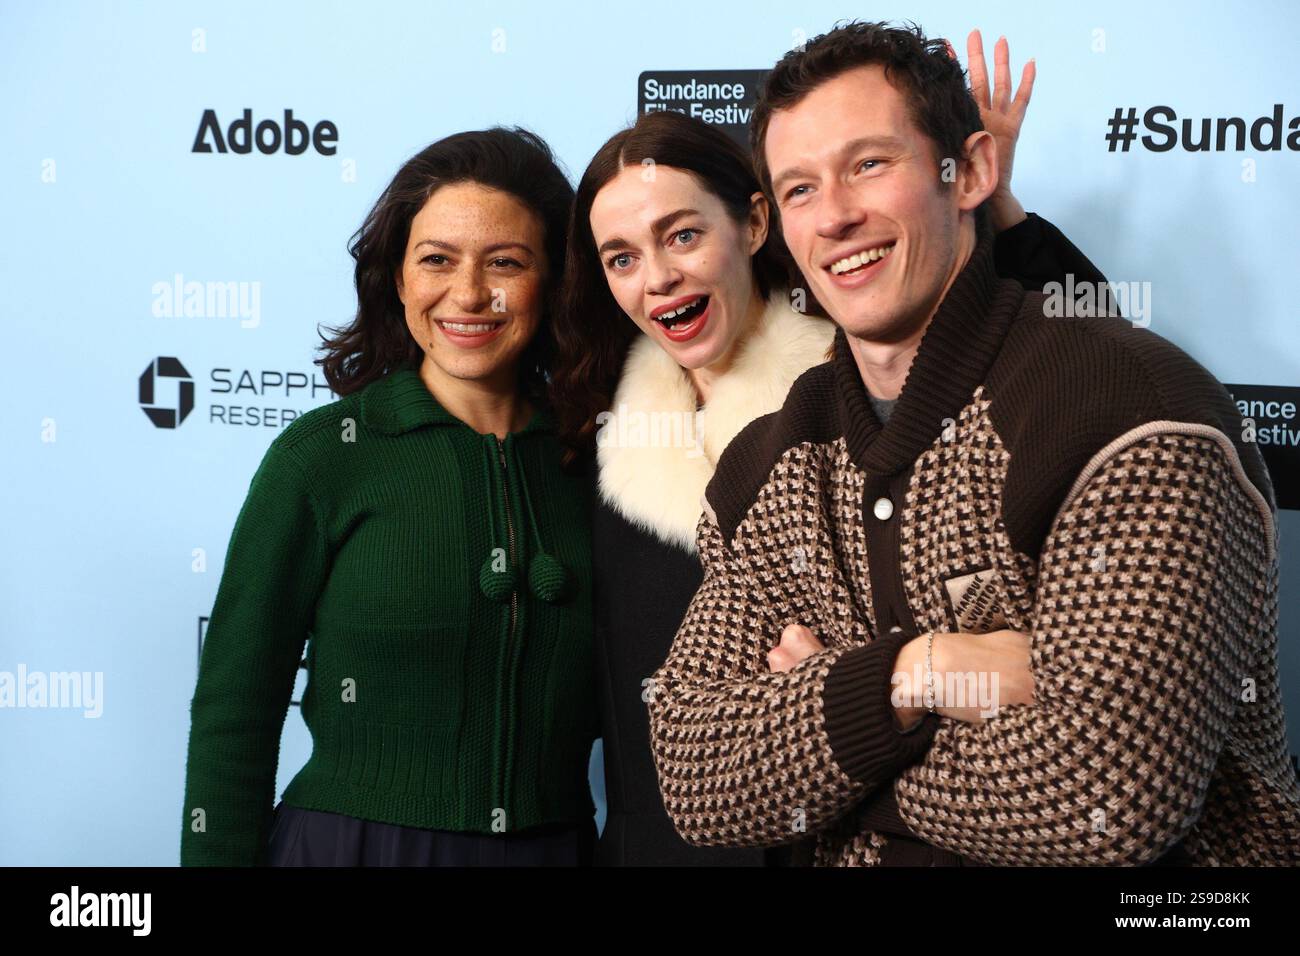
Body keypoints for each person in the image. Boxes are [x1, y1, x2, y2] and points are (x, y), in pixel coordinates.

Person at [645, 19, 1300, 866]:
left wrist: (822, 742)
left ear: (974, 173)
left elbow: (1109, 797)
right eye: (801, 188)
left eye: (869, 165)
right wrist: (914, 674)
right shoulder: (772, 460)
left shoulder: (1133, 413)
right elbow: (696, 777)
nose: (836, 215)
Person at [550, 31, 1110, 865]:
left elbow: (1083, 363)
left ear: (752, 222)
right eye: (622, 257)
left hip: (848, 841)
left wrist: (977, 198)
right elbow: (678, 746)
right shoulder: (600, 435)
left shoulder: (867, 388)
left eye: (682, 236)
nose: (657, 278)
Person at [181, 127, 599, 866]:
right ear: (398, 279)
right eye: (436, 260)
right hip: (351, 849)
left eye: (506, 262)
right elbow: (234, 713)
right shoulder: (324, 457)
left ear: (556, 279)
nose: (468, 293)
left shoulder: (606, 465)